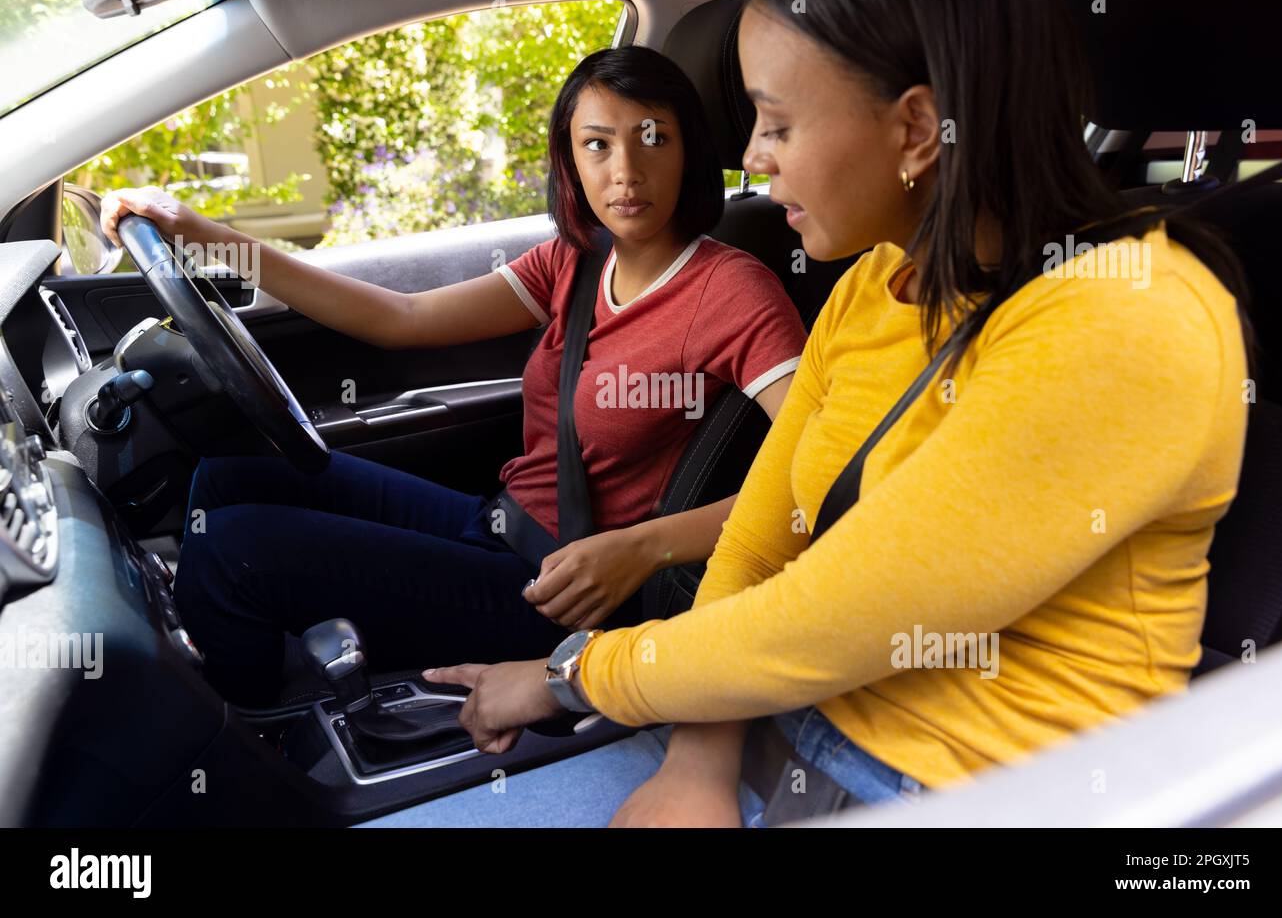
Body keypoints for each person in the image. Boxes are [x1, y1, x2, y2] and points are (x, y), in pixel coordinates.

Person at [365, 0, 1254, 828]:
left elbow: (829, 618)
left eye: (777, 124)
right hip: (764, 727)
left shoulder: (1129, 317)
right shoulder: (875, 282)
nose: (751, 155)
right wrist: (698, 761)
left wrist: (568, 674)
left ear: (916, 131)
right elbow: (760, 540)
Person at [99, 45, 808, 707]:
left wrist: (646, 545)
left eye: (652, 138)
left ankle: (251, 757)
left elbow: (819, 479)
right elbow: (401, 318)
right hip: (495, 525)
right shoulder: (577, 262)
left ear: (690, 152)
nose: (624, 168)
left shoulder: (733, 292)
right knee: (225, 476)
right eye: (598, 143)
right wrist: (202, 234)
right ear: (571, 160)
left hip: (563, 592)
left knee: (232, 555)